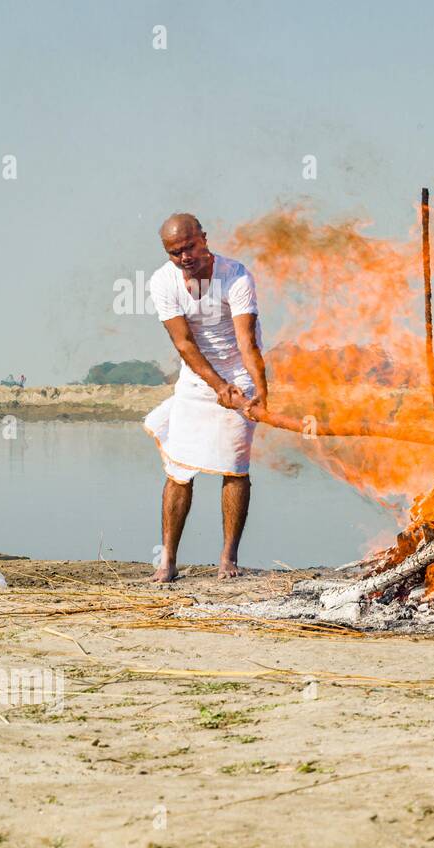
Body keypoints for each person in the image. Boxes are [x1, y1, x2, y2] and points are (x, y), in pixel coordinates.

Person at [142, 213, 267, 582]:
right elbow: (184, 342)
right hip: (198, 379)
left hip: (240, 373)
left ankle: (228, 558)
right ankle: (167, 561)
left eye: (190, 247)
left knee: (235, 467)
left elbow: (246, 340)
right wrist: (216, 385)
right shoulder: (162, 282)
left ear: (205, 239)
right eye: (175, 252)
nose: (184, 257)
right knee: (179, 469)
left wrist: (259, 390)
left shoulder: (237, 275)